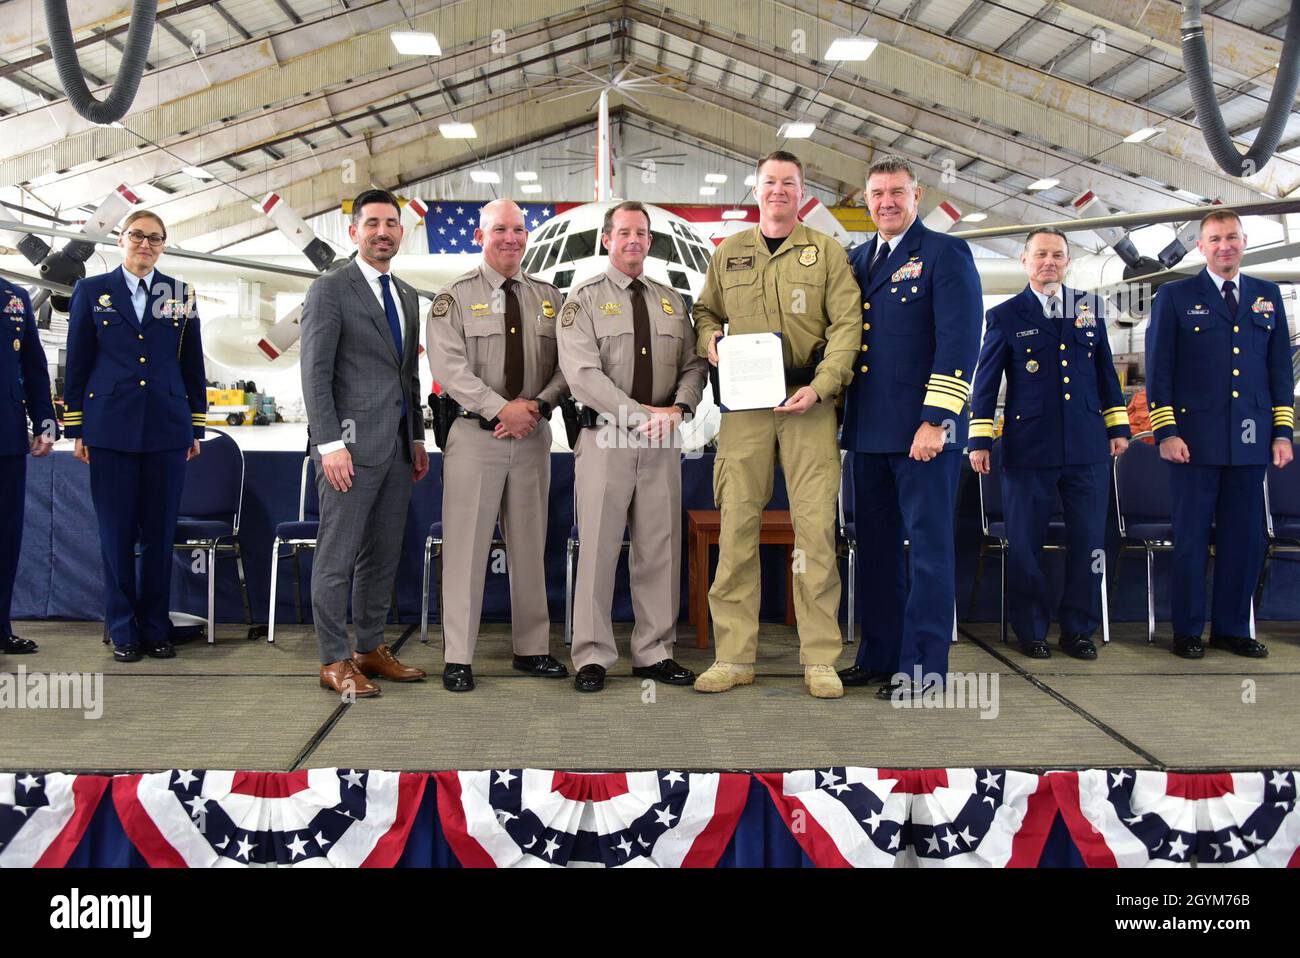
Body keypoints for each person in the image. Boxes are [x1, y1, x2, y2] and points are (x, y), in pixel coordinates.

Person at [691, 151, 861, 699]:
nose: (779, 191)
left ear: (801, 189)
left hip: (807, 403)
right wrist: (710, 340)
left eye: (789, 182)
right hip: (744, 408)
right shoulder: (730, 252)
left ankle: (819, 659)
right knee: (737, 527)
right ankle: (733, 656)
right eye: (770, 183)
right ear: (757, 190)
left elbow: (847, 327)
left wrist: (823, 384)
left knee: (813, 532)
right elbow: (706, 312)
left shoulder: (827, 252)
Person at [837, 155, 983, 700]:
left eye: (896, 192)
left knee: (927, 551)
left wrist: (938, 419)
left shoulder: (945, 254)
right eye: (877, 194)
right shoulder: (856, 259)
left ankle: (924, 666)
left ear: (916, 195)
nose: (886, 203)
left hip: (923, 435)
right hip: (869, 433)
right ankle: (879, 655)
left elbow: (960, 341)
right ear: (866, 199)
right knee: (874, 549)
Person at [558, 201, 708, 693]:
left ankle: (654, 652)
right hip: (606, 437)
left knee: (658, 549)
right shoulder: (582, 301)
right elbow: (583, 376)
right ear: (607, 239)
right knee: (599, 547)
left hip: (663, 439)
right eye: (624, 233)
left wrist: (679, 410)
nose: (634, 241)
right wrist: (642, 416)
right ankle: (592, 655)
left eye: (641, 234)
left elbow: (693, 366)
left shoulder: (671, 301)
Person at [427, 199, 569, 692]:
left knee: (531, 546)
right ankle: (458, 657)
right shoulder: (454, 299)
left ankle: (532, 650)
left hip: (532, 436)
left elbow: (565, 367)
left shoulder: (550, 297)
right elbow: (448, 369)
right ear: (480, 235)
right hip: (474, 438)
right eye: (499, 229)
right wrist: (499, 408)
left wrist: (536, 406)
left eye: (518, 229)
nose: (510, 238)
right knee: (466, 549)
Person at [968, 228, 1130, 660]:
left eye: (1057, 255)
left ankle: (1078, 630)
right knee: (1025, 545)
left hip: (1087, 449)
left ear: (1068, 260)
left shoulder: (1089, 308)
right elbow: (985, 384)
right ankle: (1031, 629)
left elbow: (1104, 374)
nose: (1049, 262)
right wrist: (979, 439)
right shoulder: (1004, 316)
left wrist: (1118, 428)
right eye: (1041, 254)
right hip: (1029, 450)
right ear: (1024, 260)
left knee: (1090, 544)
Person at [1145, 209, 1294, 659]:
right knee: (1191, 539)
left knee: (1245, 542)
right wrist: (1166, 431)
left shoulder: (1267, 295)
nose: (1224, 245)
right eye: (1215, 239)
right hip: (1193, 443)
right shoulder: (1173, 296)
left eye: (1231, 237)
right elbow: (1159, 370)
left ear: (1244, 241)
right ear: (1200, 246)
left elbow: (1278, 371)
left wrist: (1282, 432)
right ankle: (1188, 630)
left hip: (1250, 444)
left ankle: (1231, 628)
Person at [300, 189, 429, 697]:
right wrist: (330, 444)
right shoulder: (330, 289)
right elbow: (314, 374)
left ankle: (369, 647)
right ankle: (333, 659)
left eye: (391, 223)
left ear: (401, 231)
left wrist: (417, 437)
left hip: (396, 449)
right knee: (337, 557)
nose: (383, 232)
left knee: (382, 556)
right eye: (372, 223)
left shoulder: (408, 295)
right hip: (348, 450)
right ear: (353, 231)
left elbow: (409, 375)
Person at [63, 210, 208, 662]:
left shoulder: (180, 293)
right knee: (116, 534)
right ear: (122, 240)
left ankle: (155, 626)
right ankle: (123, 629)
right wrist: (77, 427)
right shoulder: (92, 291)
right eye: (137, 236)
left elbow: (192, 364)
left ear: (164, 245)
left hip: (167, 426)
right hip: (109, 428)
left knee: (160, 535)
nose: (145, 244)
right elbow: (78, 360)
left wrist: (195, 425)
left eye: (155, 238)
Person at [1, 281, 56, 655]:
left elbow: (34, 367)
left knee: (6, 539)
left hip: (5, 435)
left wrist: (45, 424)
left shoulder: (15, 298)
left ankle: (0, 628)